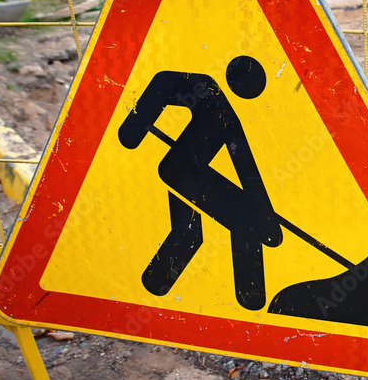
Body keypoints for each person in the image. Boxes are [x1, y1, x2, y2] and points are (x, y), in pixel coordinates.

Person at [118, 55, 281, 311]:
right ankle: (250, 296)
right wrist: (132, 130)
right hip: (179, 171)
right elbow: (163, 84)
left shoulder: (227, 114)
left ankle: (158, 283)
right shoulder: (206, 89)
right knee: (234, 222)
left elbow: (246, 167)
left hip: (188, 174)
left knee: (192, 230)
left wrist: (267, 217)